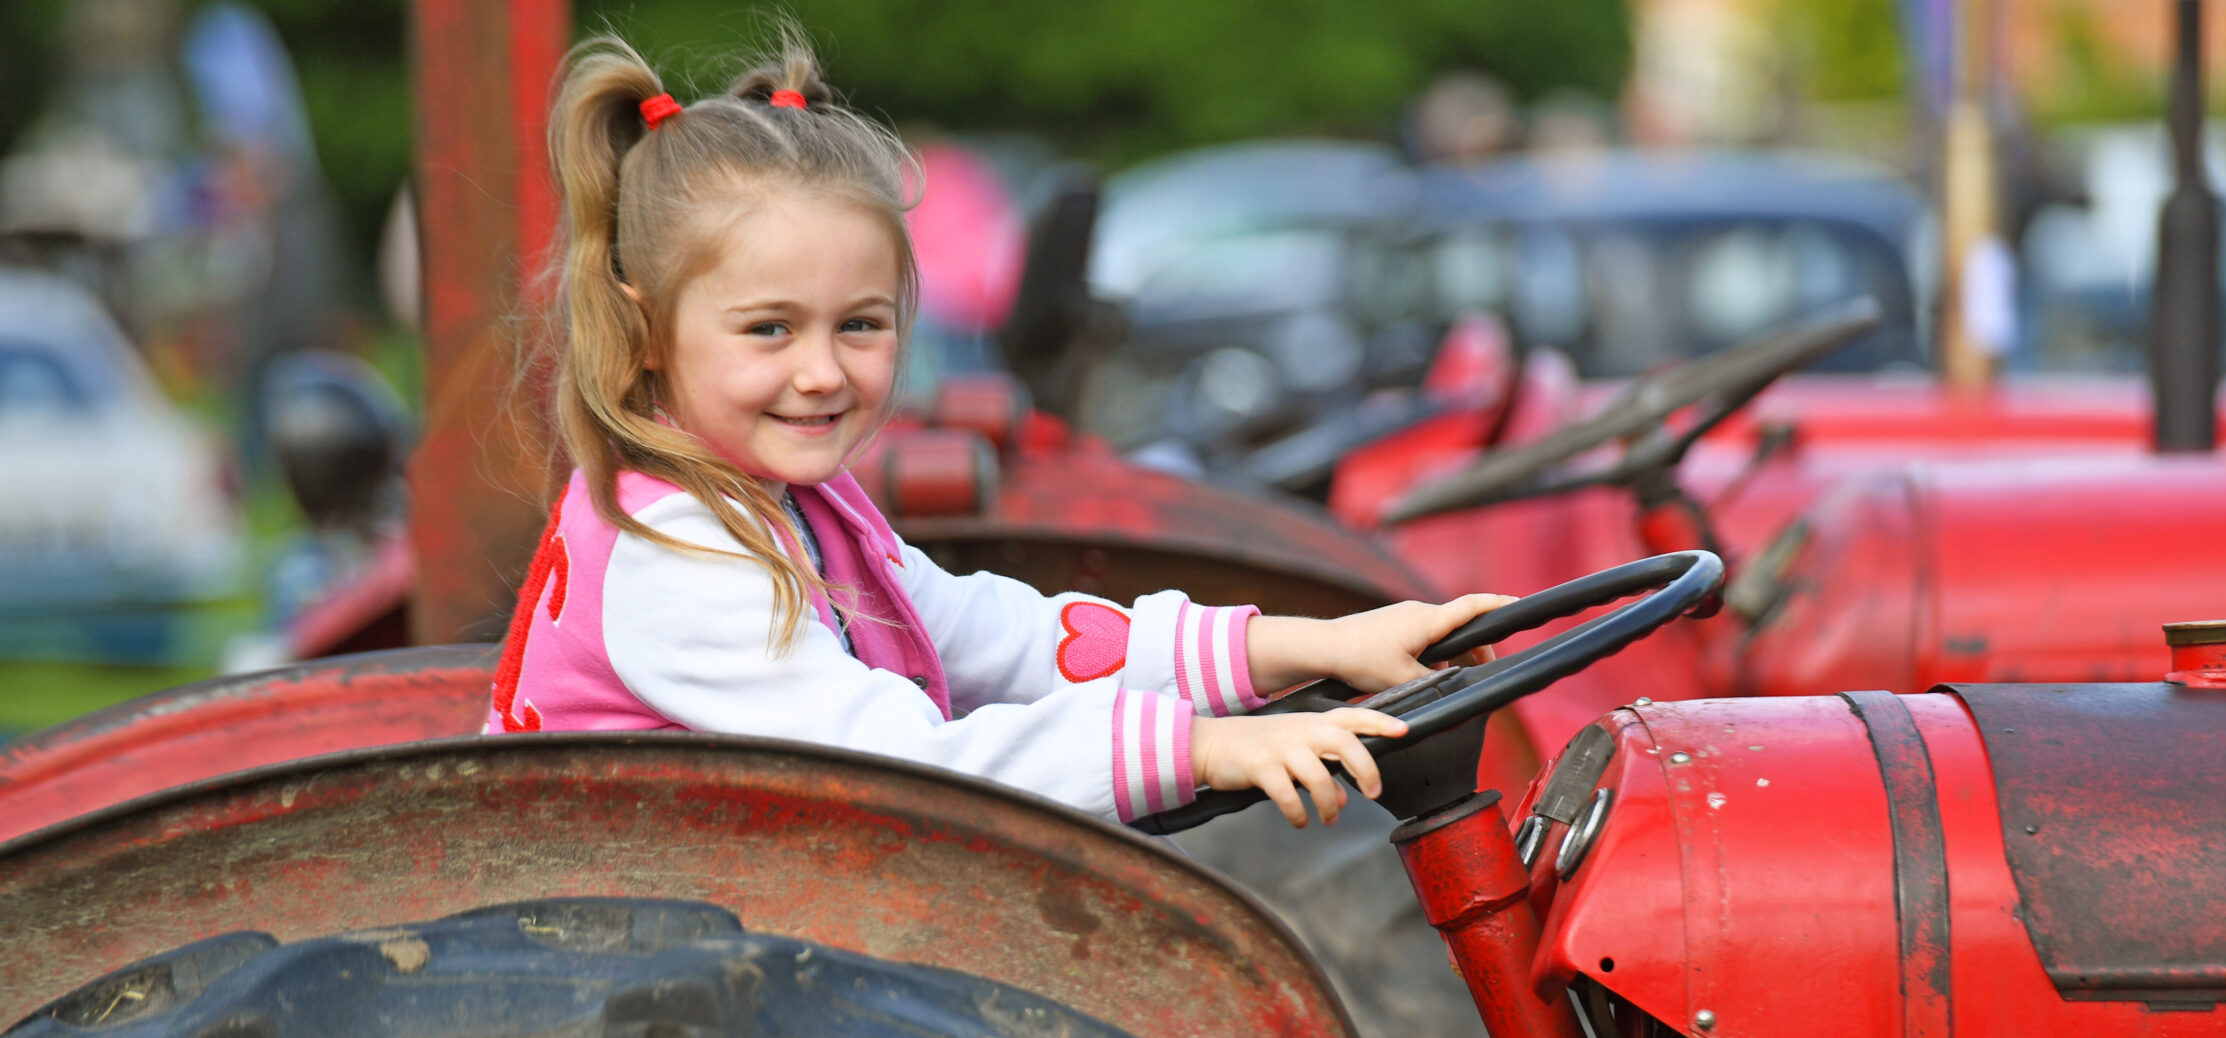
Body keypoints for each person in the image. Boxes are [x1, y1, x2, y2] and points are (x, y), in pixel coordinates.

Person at [488, 32, 1508, 829]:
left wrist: (1315, 643)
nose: (821, 372)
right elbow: (903, 767)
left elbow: (996, 636)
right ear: (644, 323)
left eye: (860, 326)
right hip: (634, 967)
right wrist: (1198, 747)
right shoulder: (677, 556)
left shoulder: (792, 503)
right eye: (769, 330)